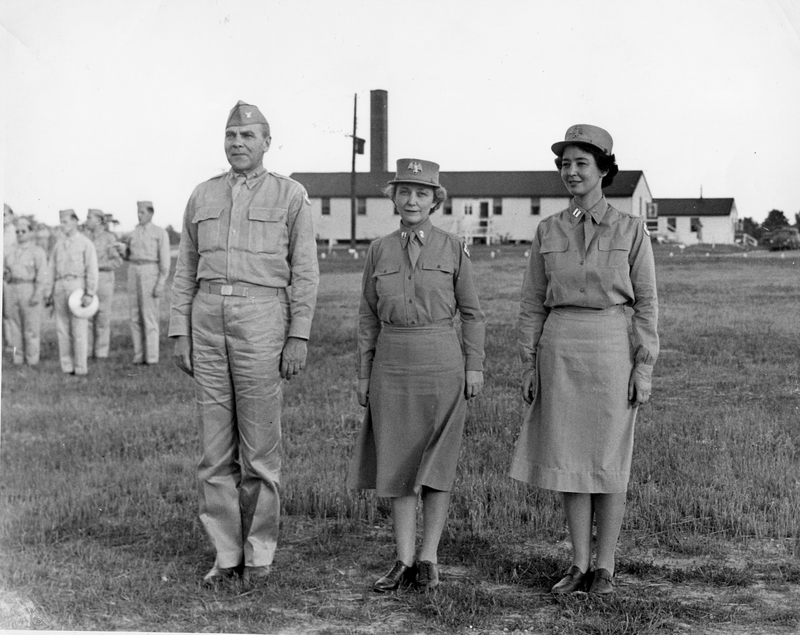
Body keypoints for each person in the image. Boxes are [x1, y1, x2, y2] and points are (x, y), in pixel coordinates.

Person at [169, 100, 319, 587]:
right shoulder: (202, 194)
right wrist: (180, 330)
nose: (238, 143)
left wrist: (298, 334)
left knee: (259, 451)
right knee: (213, 451)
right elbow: (185, 269)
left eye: (248, 135)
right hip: (208, 318)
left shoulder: (290, 194)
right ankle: (226, 553)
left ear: (267, 142)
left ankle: (259, 554)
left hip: (262, 318)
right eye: (231, 135)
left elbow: (306, 272)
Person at [509, 125, 659, 596]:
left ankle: (605, 568)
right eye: (564, 164)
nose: (571, 172)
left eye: (581, 163)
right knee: (569, 457)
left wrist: (643, 367)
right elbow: (532, 302)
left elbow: (647, 304)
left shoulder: (631, 229)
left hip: (611, 347)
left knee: (609, 459)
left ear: (603, 170)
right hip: (560, 348)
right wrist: (529, 362)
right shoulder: (548, 229)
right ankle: (577, 564)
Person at [348, 159, 486, 593]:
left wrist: (474, 365)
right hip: (391, 364)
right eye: (404, 191)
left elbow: (472, 313)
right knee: (397, 463)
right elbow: (367, 317)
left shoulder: (453, 247)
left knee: (437, 464)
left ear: (435, 200)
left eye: (421, 193)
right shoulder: (378, 250)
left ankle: (429, 558)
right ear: (393, 197)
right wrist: (364, 374)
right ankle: (403, 559)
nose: (412, 200)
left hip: (441, 361)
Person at [45, 209, 99, 376]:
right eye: (61, 222)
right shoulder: (58, 245)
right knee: (62, 329)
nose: (63, 225)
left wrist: (89, 293)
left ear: (75, 221)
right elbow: (51, 269)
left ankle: (80, 367)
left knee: (79, 329)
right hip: (60, 285)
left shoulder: (85, 243)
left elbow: (92, 269)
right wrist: (48, 292)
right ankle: (67, 367)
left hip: (77, 285)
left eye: (66, 221)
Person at [121, 201, 170, 365]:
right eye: (138, 212)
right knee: (135, 316)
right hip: (133, 270)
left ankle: (152, 357)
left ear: (150, 213)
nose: (139, 215)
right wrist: (122, 252)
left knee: (149, 316)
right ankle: (138, 356)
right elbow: (128, 255)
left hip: (150, 271)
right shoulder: (133, 233)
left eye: (142, 212)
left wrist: (160, 283)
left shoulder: (159, 233)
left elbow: (165, 261)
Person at [3, 216, 49, 366]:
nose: (20, 234)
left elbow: (42, 275)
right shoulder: (10, 252)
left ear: (30, 232)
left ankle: (32, 359)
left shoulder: (37, 251)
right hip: (12, 288)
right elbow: (7, 271)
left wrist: (38, 293)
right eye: (17, 232)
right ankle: (18, 357)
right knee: (14, 326)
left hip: (29, 288)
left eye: (23, 231)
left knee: (31, 327)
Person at [86, 208, 124, 359]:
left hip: (104, 278)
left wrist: (98, 265)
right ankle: (87, 351)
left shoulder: (109, 238)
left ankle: (101, 353)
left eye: (89, 218)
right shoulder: (86, 237)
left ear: (98, 221)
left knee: (102, 316)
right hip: (88, 280)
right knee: (87, 315)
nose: (87, 221)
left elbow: (117, 261)